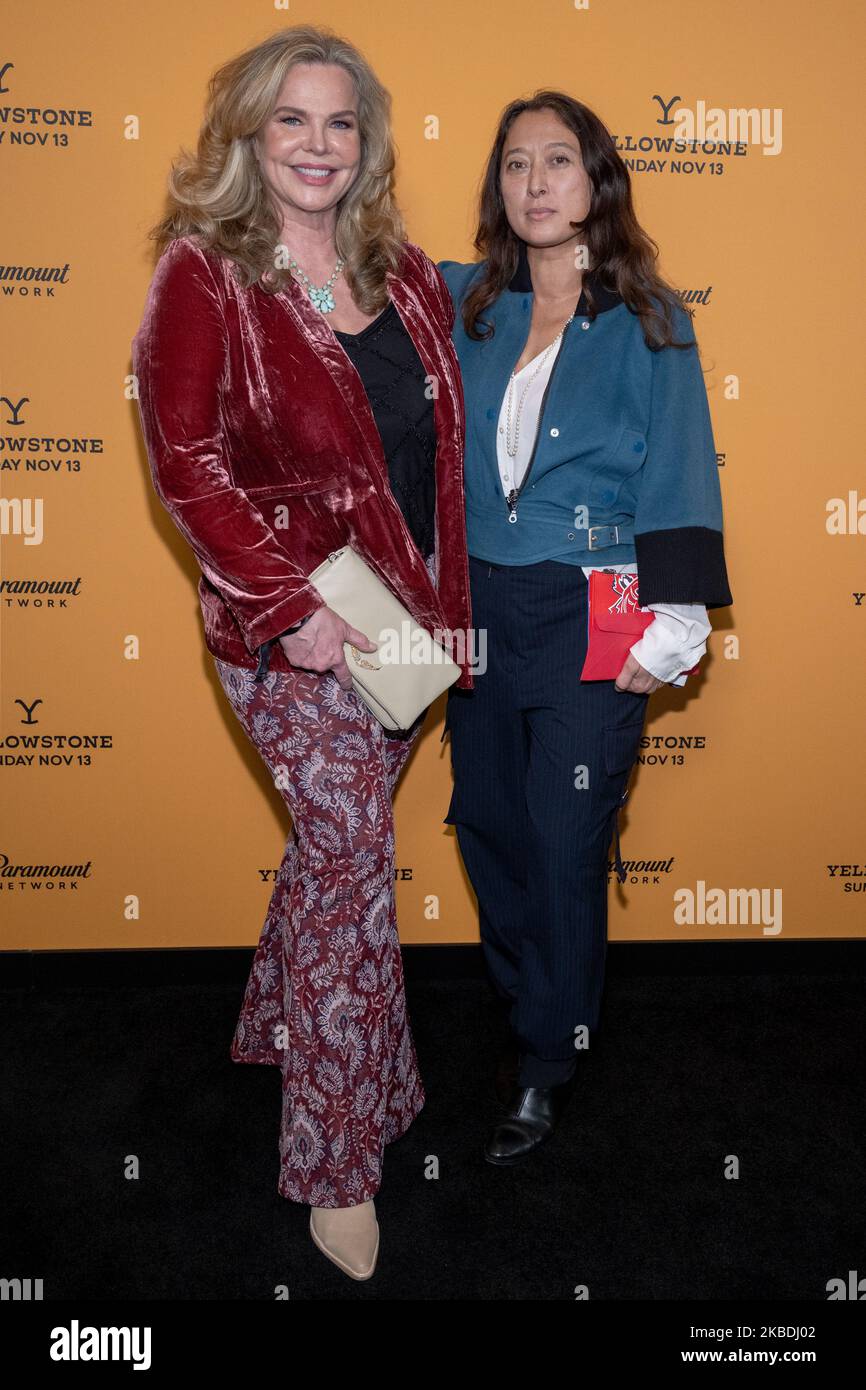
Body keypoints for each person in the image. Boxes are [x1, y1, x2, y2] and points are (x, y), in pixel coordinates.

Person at [131, 24, 473, 1279]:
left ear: (364, 141)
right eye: (292, 121)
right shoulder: (204, 273)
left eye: (339, 123)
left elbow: (433, 460)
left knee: (333, 867)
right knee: (349, 859)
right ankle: (336, 1162)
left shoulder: (412, 275)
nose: (317, 145)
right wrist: (292, 606)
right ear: (249, 136)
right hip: (290, 632)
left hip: (404, 635)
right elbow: (186, 463)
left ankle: (278, 1023)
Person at [437, 91, 733, 1166]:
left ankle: (544, 1063)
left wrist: (673, 622)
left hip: (591, 604)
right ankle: (534, 1004)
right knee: (489, 827)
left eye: (556, 160)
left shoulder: (649, 316)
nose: (534, 182)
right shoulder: (459, 300)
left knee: (563, 841)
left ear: (595, 180)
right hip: (474, 609)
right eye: (515, 164)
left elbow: (680, 465)